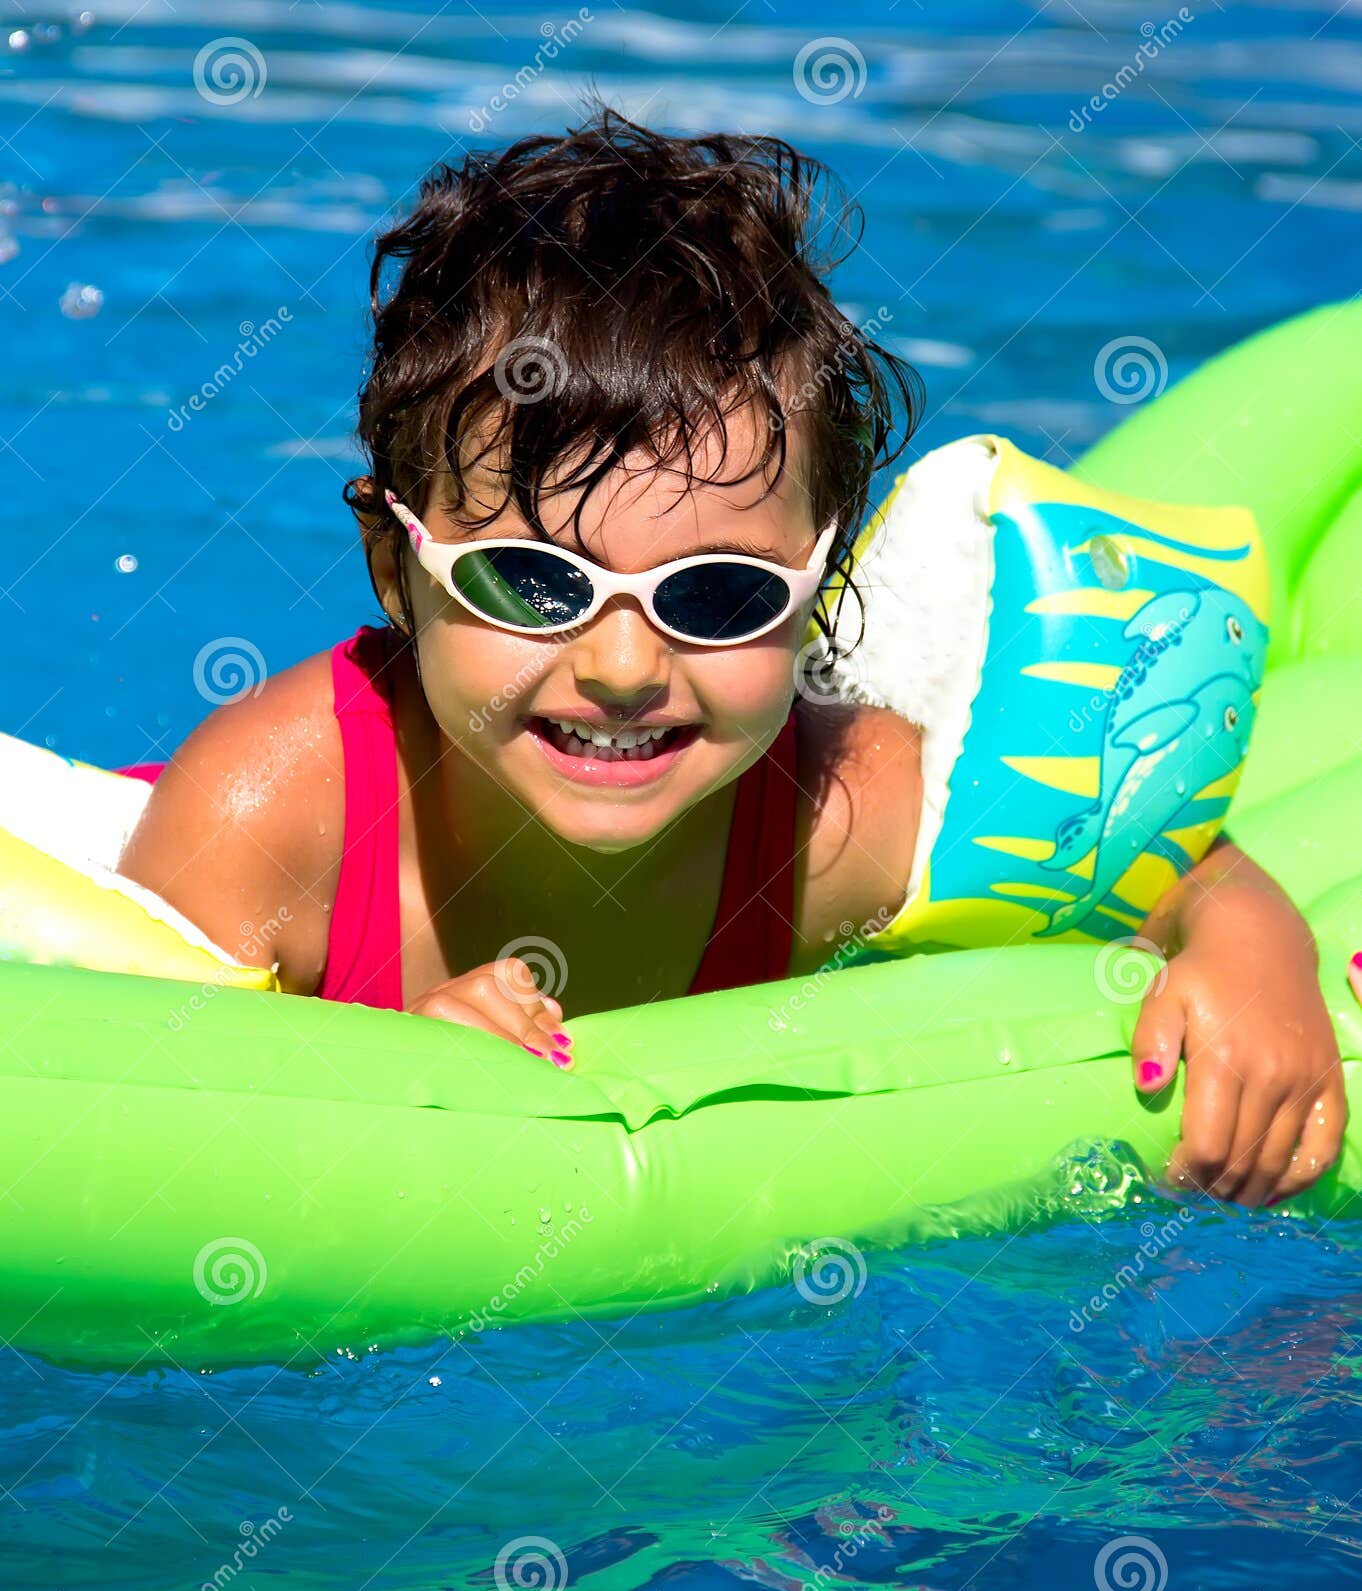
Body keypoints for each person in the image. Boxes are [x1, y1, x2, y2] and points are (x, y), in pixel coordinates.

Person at [119, 105, 1344, 1207]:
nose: (621, 666)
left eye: (717, 594)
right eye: (535, 583)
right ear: (399, 570)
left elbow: (1141, 835)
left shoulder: (832, 821)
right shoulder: (272, 818)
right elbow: (142, 1129)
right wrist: (381, 1073)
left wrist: (1251, 942)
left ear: (817, 596)